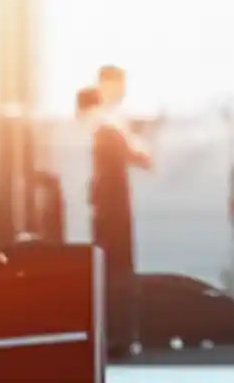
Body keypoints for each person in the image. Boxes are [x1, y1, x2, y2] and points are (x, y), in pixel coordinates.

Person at [78, 85, 151, 355]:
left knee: (111, 274)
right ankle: (122, 335)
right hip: (115, 212)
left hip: (111, 214)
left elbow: (118, 168)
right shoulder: (111, 130)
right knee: (118, 272)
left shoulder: (104, 131)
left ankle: (118, 336)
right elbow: (139, 159)